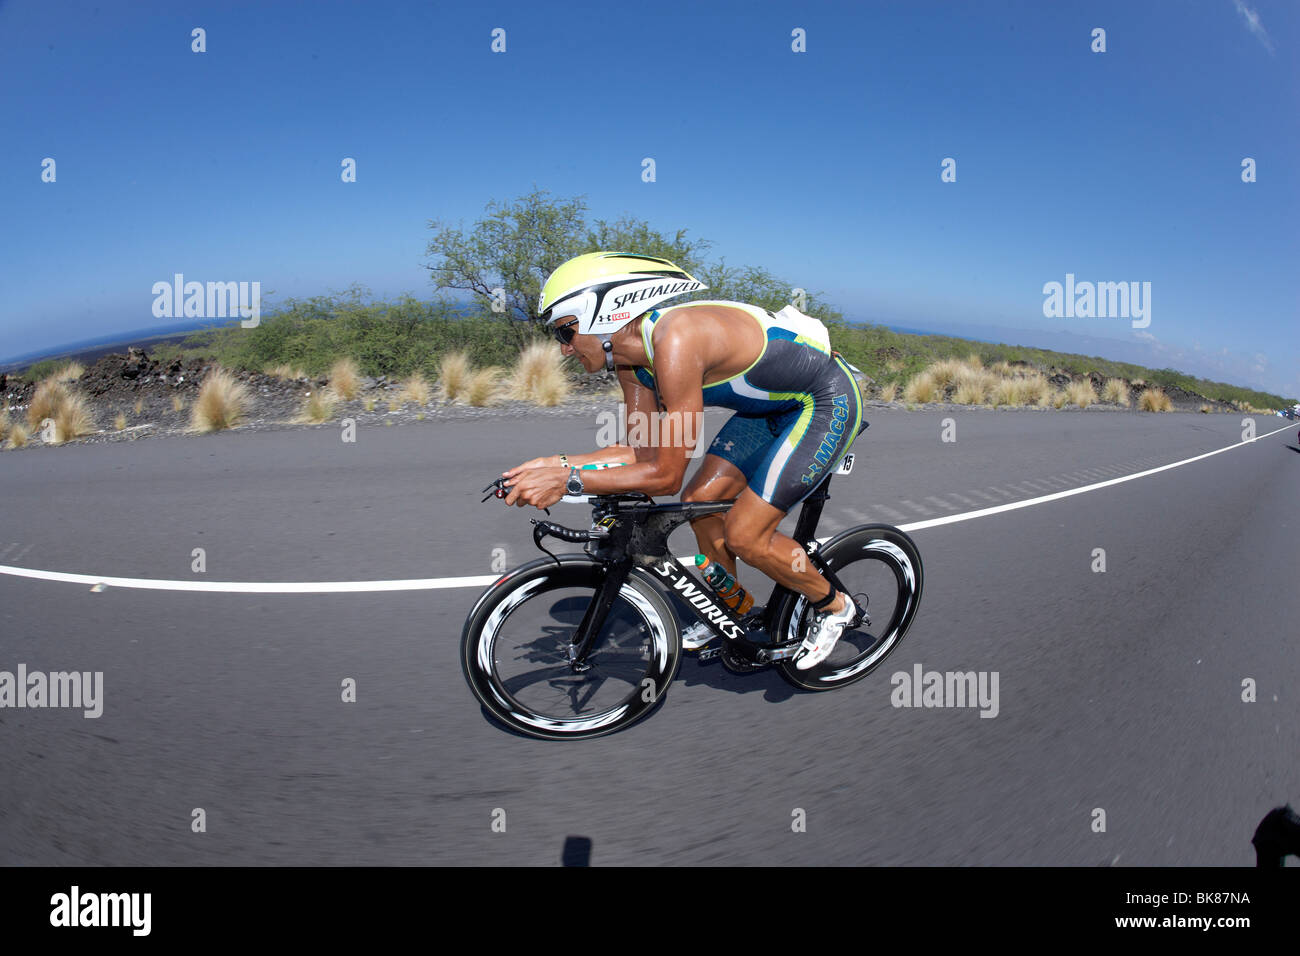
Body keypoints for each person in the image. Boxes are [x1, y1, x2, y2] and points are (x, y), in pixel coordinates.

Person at [502, 251, 864, 670]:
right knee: (700, 503)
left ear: (605, 313)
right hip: (767, 411)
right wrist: (554, 463)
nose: (564, 350)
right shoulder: (630, 363)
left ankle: (835, 607)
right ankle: (732, 611)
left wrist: (569, 480)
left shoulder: (676, 340)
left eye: (566, 331)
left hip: (824, 403)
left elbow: (664, 476)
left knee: (746, 535)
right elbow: (642, 451)